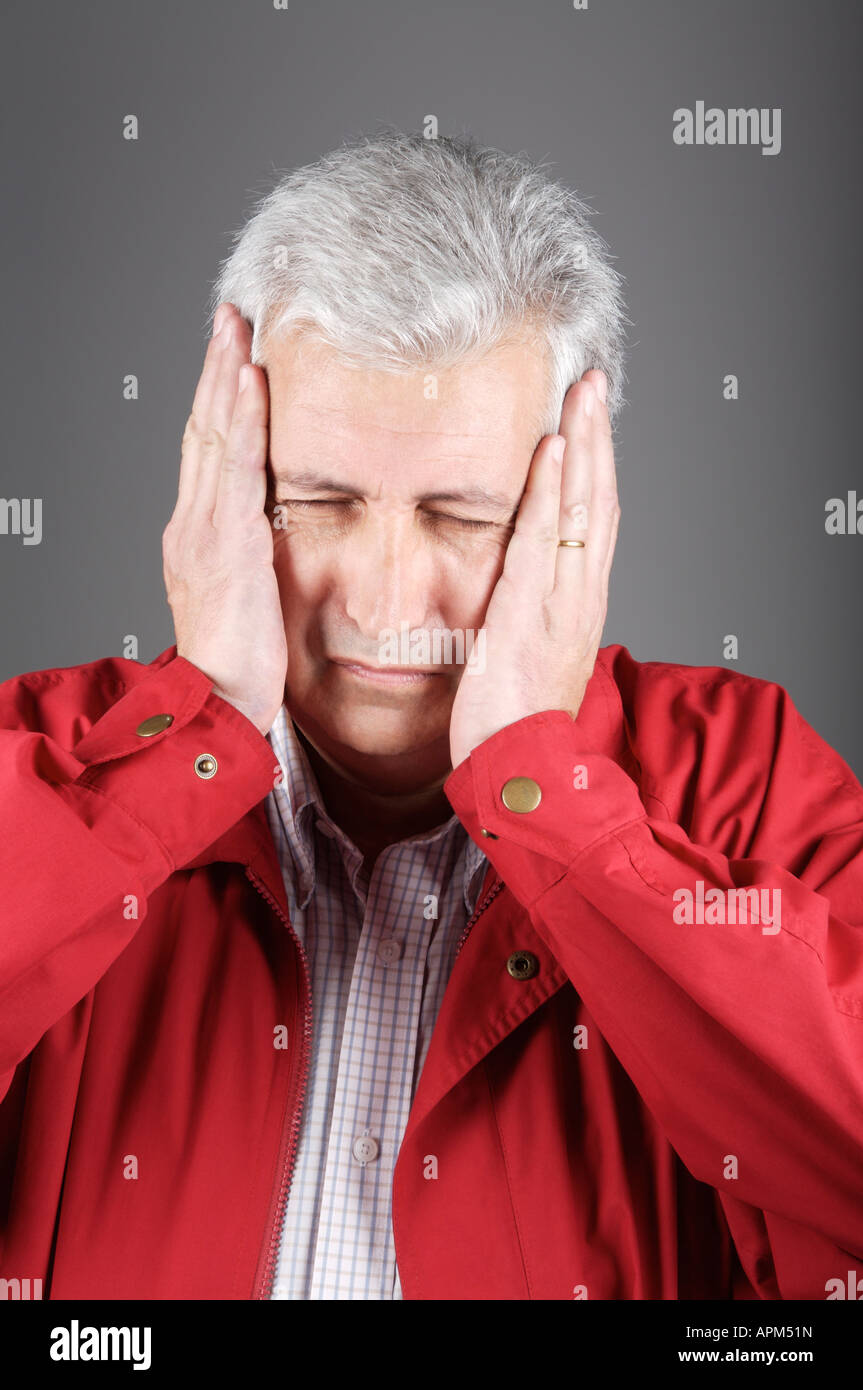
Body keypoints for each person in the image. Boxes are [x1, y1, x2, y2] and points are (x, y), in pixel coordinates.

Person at [1, 131, 861, 1301]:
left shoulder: (741, 779)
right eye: (317, 500)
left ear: (577, 503)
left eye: (460, 517)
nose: (386, 603)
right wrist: (175, 759)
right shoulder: (52, 768)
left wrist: (551, 809)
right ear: (226, 480)